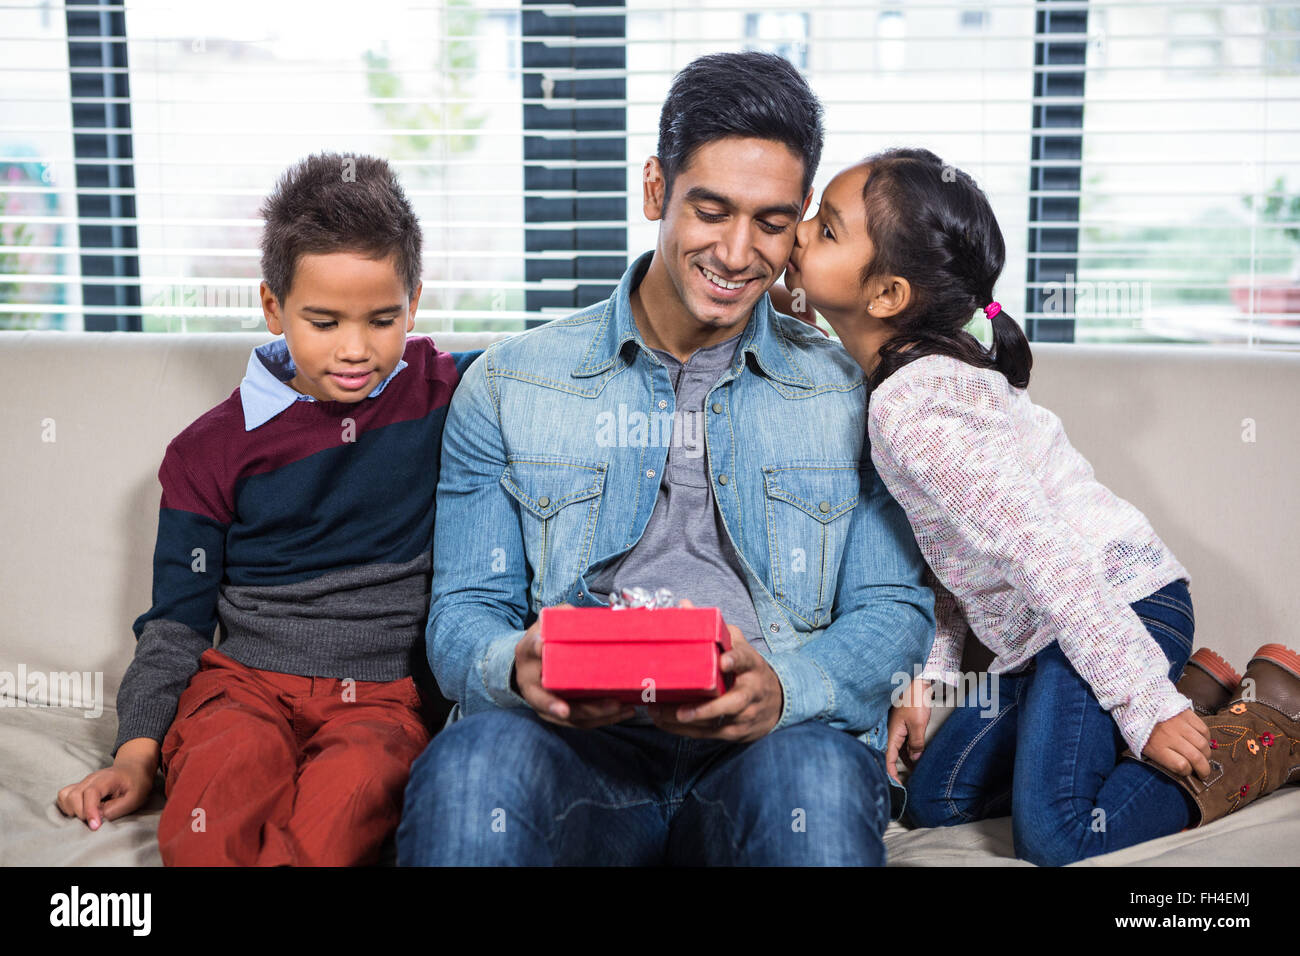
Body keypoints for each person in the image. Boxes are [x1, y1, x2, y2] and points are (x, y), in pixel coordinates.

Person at [396, 52, 936, 867]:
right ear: (656, 190)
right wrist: (517, 664)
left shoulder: (855, 397)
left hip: (774, 749)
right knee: (472, 769)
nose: (737, 252)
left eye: (771, 221)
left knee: (819, 789)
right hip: (575, 752)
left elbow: (893, 611)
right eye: (710, 210)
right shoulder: (508, 385)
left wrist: (783, 690)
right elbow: (462, 616)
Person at [767, 146, 1299, 864]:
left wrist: (1148, 707)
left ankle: (1265, 722)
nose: (796, 232)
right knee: (939, 798)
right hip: (1053, 636)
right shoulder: (907, 382)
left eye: (825, 229)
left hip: (1119, 600)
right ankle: (1198, 687)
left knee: (1060, 834)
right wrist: (926, 680)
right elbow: (951, 557)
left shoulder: (913, 409)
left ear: (887, 295)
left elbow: (1044, 553)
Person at [55, 152, 478, 865]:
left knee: (340, 817)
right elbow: (174, 624)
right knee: (209, 814)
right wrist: (135, 757)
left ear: (413, 303)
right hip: (242, 688)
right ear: (273, 306)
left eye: (381, 319)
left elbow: (556, 359)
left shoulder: (443, 392)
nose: (354, 349)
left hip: (381, 700)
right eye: (322, 320)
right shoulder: (207, 451)